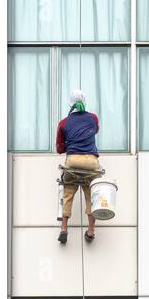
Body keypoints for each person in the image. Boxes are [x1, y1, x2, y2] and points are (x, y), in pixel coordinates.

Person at [56, 89, 101, 245]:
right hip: (91, 161)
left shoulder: (63, 123)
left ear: (70, 103)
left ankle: (64, 228)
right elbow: (95, 130)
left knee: (68, 191)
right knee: (91, 193)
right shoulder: (93, 118)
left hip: (73, 160)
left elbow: (59, 148)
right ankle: (91, 231)